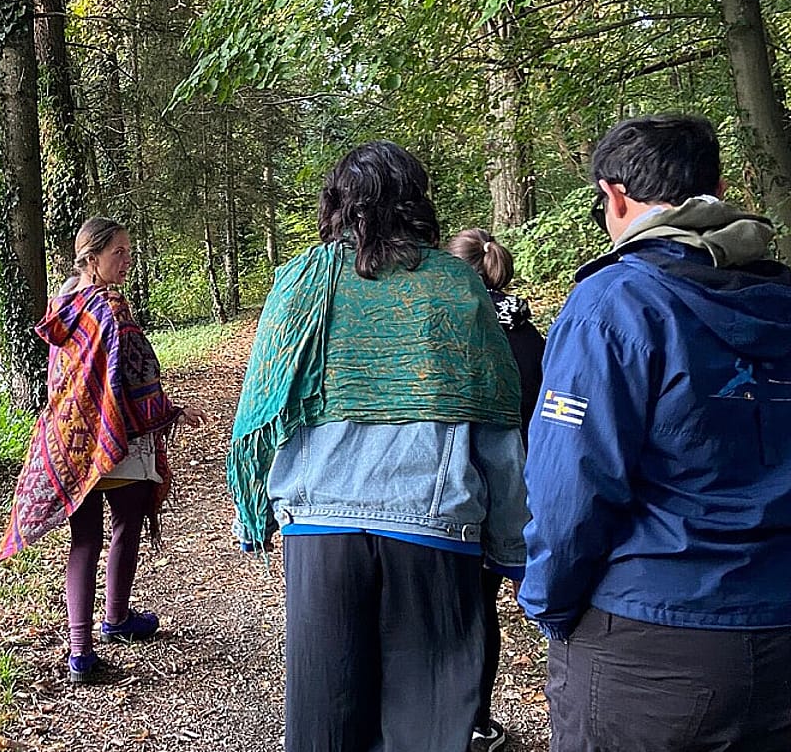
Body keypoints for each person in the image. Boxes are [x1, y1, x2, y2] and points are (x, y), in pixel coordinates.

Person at [227, 140, 529, 751]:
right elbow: (498, 423)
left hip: (320, 528)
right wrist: (510, 543)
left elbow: (260, 409)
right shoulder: (456, 287)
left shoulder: (301, 282)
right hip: (433, 527)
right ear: (416, 204)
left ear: (337, 205)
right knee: (428, 728)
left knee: (326, 728)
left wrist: (256, 510)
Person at [518, 114, 791, 751]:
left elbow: (571, 486)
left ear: (614, 196)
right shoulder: (780, 301)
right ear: (716, 188)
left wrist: (549, 605)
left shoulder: (615, 303)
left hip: (651, 641)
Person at [0, 217, 207, 684]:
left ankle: (80, 652)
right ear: (92, 258)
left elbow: (66, 371)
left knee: (85, 537)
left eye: (129, 250)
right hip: (115, 432)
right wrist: (169, 410)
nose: (127, 259)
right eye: (118, 252)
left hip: (71, 436)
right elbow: (135, 370)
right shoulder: (109, 304)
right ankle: (115, 619)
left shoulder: (64, 301)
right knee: (128, 519)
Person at [448, 228, 545, 752]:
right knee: (484, 609)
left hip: (451, 490)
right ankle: (478, 720)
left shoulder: (453, 331)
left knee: (447, 606)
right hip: (517, 490)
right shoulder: (531, 336)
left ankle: (440, 720)